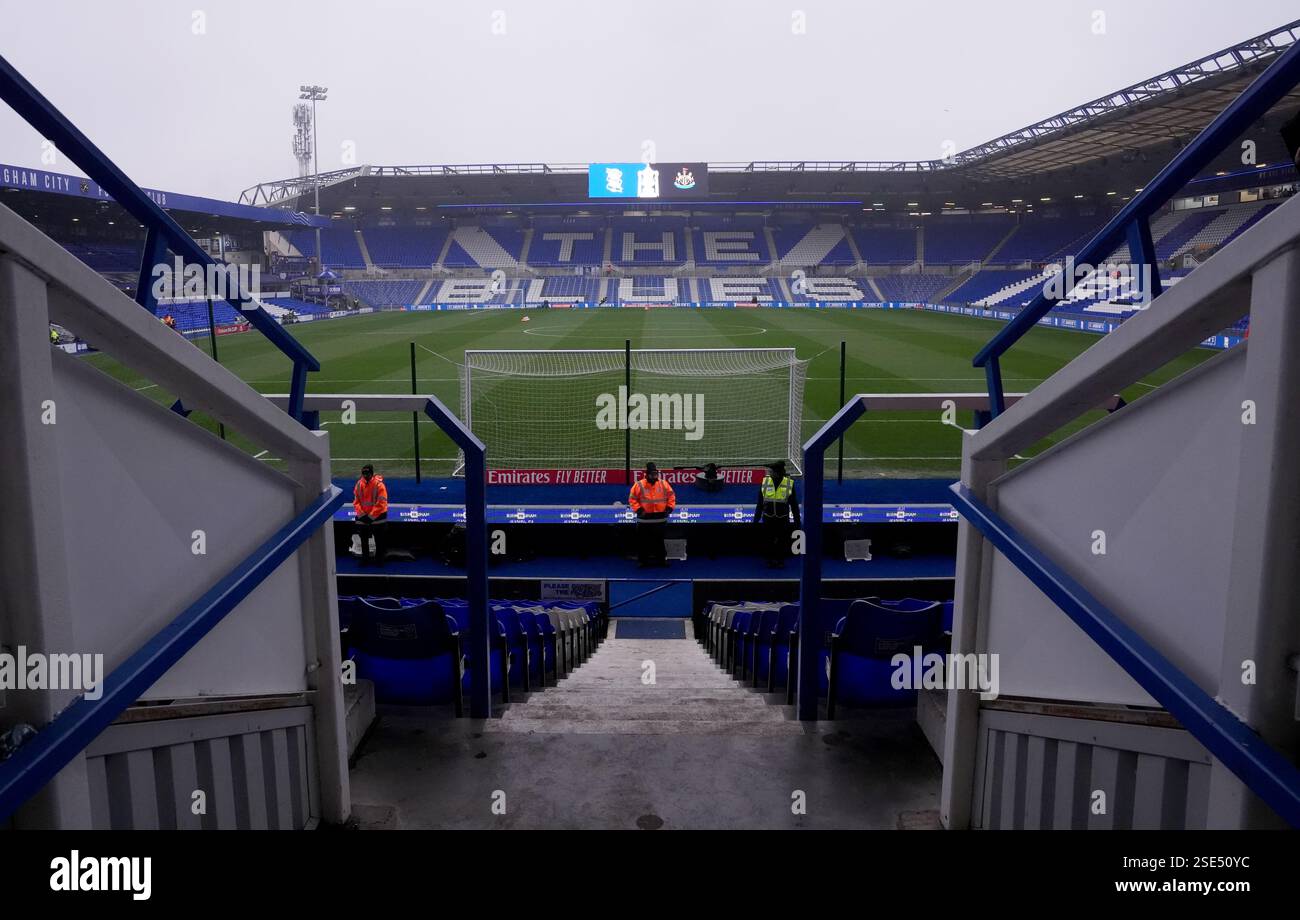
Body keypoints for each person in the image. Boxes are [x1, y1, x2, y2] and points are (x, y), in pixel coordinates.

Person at [754, 460, 800, 568]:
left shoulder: (789, 483)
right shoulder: (765, 482)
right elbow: (760, 502)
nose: (769, 473)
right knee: (768, 540)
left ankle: (780, 560)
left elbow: (794, 504)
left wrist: (797, 520)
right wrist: (756, 519)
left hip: (782, 518)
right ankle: (770, 559)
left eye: (772, 471)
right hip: (768, 517)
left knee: (782, 540)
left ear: (777, 472)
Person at [628, 462, 675, 567]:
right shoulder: (639, 485)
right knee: (643, 541)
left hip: (660, 518)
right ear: (647, 474)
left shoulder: (663, 484)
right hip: (644, 518)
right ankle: (643, 561)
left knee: (659, 541)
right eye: (652, 474)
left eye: (656, 474)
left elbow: (671, 496)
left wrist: (669, 508)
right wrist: (639, 510)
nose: (655, 476)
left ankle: (661, 560)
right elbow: (632, 499)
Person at [353, 463, 389, 566]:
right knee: (364, 541)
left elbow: (382, 503)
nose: (365, 475)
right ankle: (365, 559)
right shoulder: (359, 485)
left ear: (372, 473)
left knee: (379, 540)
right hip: (364, 518)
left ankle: (379, 560)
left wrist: (370, 517)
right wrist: (362, 515)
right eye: (363, 473)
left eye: (367, 473)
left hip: (377, 518)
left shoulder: (379, 485)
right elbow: (356, 502)